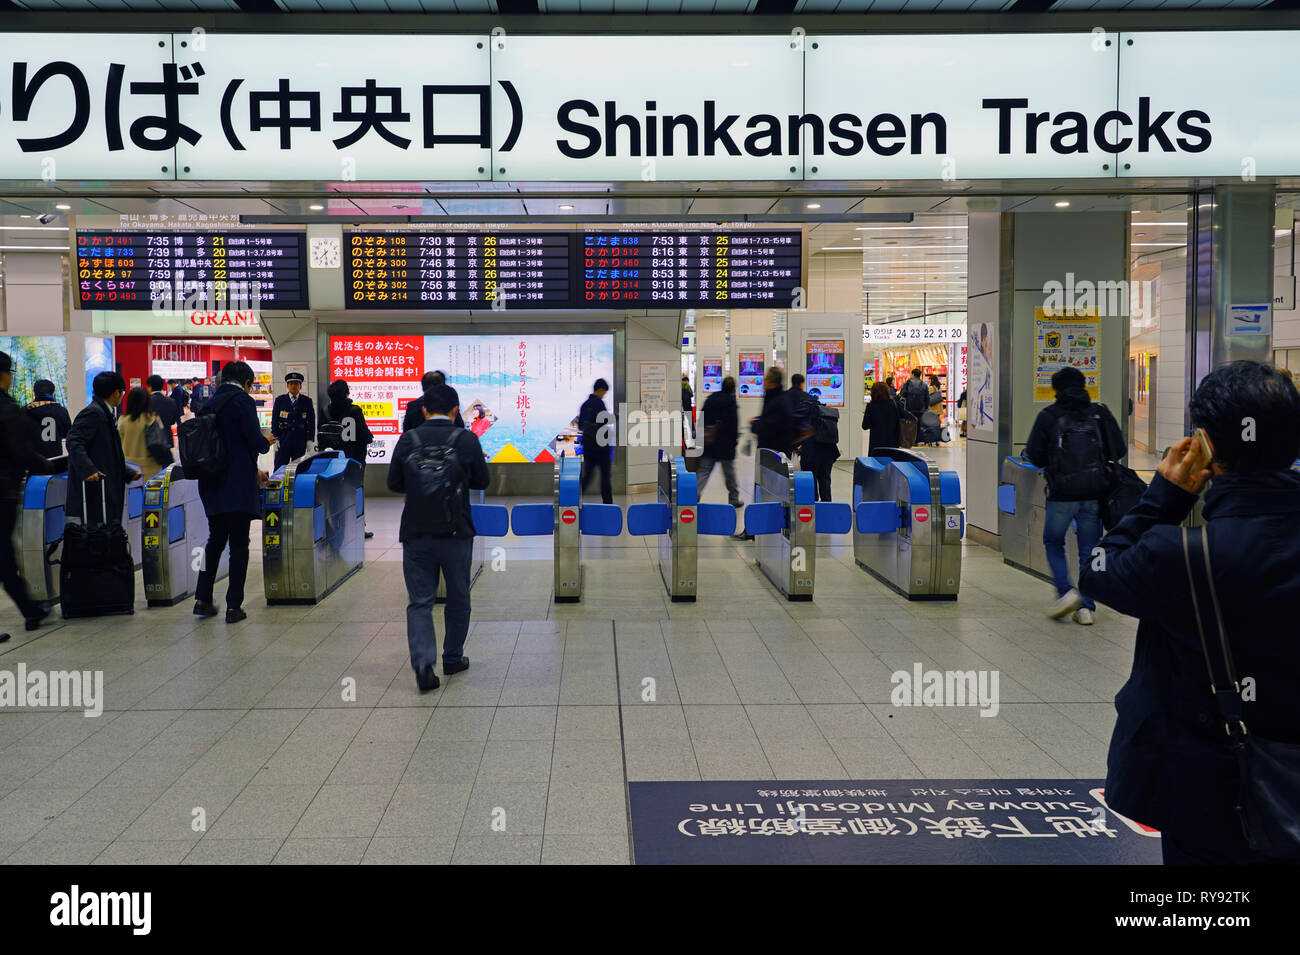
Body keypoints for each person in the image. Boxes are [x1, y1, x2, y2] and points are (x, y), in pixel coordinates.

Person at [1080, 361, 1300, 865]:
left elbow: (1097, 569)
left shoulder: (1177, 555)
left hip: (1204, 785)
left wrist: (1165, 497)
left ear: (1204, 445)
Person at [387, 383, 491, 693]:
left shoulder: (409, 439)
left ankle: (423, 664)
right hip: (456, 531)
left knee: (420, 601)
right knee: (458, 596)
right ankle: (453, 657)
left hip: (416, 532)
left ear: (423, 410)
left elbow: (394, 483)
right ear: (455, 410)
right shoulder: (466, 439)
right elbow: (483, 480)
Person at [1024, 365, 1125, 625]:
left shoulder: (1049, 415)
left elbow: (1034, 455)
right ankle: (1086, 607)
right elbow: (1119, 449)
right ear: (1083, 385)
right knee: (1088, 550)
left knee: (1053, 542)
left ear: (1055, 389)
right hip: (1094, 493)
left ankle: (1066, 592)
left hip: (1061, 494)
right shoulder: (1099, 413)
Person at [193, 361, 270, 624]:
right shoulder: (243, 402)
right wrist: (266, 441)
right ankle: (233, 606)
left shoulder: (208, 404)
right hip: (236, 484)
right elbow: (253, 441)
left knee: (214, 541)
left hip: (211, 482)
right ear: (247, 382)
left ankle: (202, 599)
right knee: (239, 543)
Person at [0, 351, 59, 635]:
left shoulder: (18, 408)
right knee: (4, 554)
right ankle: (30, 609)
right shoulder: (8, 409)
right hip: (3, 492)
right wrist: (47, 465)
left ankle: (30, 609)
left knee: (4, 556)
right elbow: (21, 452)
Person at [66, 371, 133, 530]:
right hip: (97, 491)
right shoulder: (94, 413)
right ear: (116, 393)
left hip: (106, 484)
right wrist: (88, 469)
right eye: (122, 392)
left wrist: (127, 472)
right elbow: (74, 440)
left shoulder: (105, 412)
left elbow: (106, 451)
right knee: (99, 536)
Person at [326, 379, 375, 537]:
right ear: (346, 393)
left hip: (333, 462)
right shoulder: (354, 411)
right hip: (354, 461)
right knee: (356, 492)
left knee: (334, 494)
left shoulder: (325, 411)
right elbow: (364, 436)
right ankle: (358, 527)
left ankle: (336, 526)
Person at [696, 375, 742, 509]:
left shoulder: (711, 399)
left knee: (703, 472)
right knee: (729, 474)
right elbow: (734, 425)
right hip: (725, 445)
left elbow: (701, 420)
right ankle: (734, 499)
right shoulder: (731, 402)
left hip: (709, 442)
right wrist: (734, 444)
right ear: (733, 389)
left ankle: (693, 497)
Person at [789, 374, 835, 502]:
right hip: (828, 448)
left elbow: (797, 427)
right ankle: (827, 506)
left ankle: (813, 507)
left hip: (811, 450)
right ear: (802, 383)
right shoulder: (814, 401)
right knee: (825, 480)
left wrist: (794, 446)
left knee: (811, 479)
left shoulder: (796, 403)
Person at [117, 385, 168, 483]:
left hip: (129, 468)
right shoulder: (152, 419)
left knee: (131, 497)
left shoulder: (122, 420)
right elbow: (160, 442)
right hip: (151, 468)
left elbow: (118, 444)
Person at [270, 371, 316, 469]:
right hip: (283, 438)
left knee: (299, 468)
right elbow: (274, 420)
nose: (293, 386)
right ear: (287, 386)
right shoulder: (280, 400)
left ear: (300, 386)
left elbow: (311, 422)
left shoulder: (307, 401)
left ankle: (296, 484)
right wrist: (276, 437)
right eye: (291, 384)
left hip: (300, 439)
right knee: (280, 467)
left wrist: (310, 440)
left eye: (296, 384)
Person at [578, 378, 614, 504]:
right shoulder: (599, 403)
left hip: (588, 447)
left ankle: (574, 498)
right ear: (600, 390)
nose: (603, 395)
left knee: (587, 475)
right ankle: (608, 504)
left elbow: (581, 425)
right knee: (605, 477)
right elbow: (604, 421)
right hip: (601, 447)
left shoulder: (584, 405)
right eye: (604, 392)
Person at [24, 379, 71, 458]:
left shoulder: (24, 411)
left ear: (35, 394)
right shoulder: (61, 411)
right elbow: (68, 434)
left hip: (31, 463)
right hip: (54, 462)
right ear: (53, 393)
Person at [863, 380, 901, 454]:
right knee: (892, 463)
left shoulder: (871, 406)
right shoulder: (895, 404)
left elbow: (865, 426)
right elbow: (906, 417)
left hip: (876, 445)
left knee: (876, 464)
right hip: (893, 443)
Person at [146, 375, 179, 448]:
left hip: (150, 440)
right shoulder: (171, 401)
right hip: (167, 438)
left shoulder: (145, 401)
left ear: (149, 387)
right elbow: (173, 421)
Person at [681, 374, 694, 439]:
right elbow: (691, 394)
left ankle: (682, 435)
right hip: (687, 404)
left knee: (681, 421)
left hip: (681, 405)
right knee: (690, 419)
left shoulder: (679, 384)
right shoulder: (686, 385)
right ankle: (693, 433)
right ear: (687, 381)